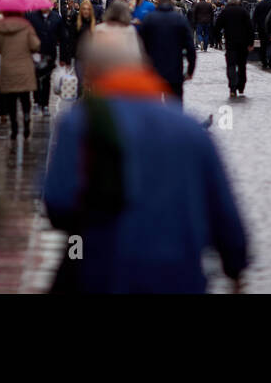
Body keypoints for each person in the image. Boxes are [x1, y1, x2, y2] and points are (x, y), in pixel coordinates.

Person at [43, 24, 249, 293]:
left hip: (105, 272)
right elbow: (223, 210)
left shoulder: (80, 124)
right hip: (179, 275)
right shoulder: (189, 129)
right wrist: (235, 267)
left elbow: (58, 200)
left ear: (92, 74)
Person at [136, 0, 197, 107]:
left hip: (153, 71)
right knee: (175, 106)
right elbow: (190, 47)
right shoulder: (179, 19)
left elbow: (140, 45)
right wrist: (190, 70)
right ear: (171, 2)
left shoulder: (149, 19)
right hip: (175, 70)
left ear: (158, 2)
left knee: (154, 106)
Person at [0, 10, 41, 138]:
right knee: (25, 98)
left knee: (11, 100)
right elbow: (35, 45)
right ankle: (26, 121)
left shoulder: (1, 27)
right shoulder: (27, 26)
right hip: (24, 67)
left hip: (8, 67)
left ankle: (14, 127)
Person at [213, 0, 254, 98]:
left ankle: (232, 87)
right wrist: (251, 43)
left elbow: (217, 26)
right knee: (242, 65)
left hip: (230, 43)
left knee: (231, 65)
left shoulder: (225, 12)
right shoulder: (243, 12)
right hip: (243, 43)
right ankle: (241, 85)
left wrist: (218, 40)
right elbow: (250, 28)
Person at [252, 0, 271, 71]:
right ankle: (269, 60)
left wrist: (254, 26)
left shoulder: (259, 4)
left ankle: (264, 61)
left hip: (261, 28)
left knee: (263, 44)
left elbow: (254, 17)